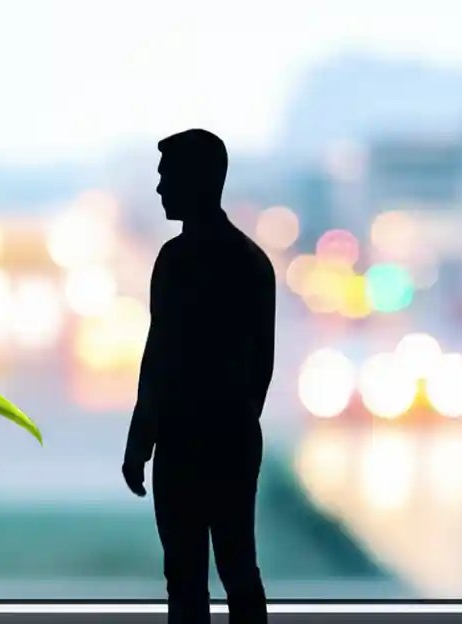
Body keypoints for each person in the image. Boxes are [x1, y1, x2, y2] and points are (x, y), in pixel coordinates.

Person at [122, 129, 276, 624]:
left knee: (184, 579)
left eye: (167, 177)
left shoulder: (174, 261)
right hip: (228, 440)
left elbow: (158, 361)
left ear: (197, 180)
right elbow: (261, 368)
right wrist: (231, 422)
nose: (160, 189)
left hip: (182, 445)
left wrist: (141, 440)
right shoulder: (251, 262)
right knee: (238, 569)